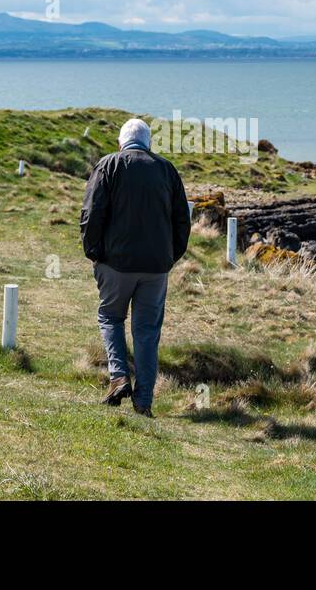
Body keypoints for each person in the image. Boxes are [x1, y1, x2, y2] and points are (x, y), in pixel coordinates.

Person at [79, 118, 191, 417]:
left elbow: (92, 212)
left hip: (116, 263)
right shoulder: (166, 170)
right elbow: (182, 220)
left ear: (121, 142)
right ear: (148, 143)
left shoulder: (108, 165)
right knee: (146, 332)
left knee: (110, 317)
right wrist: (169, 257)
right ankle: (143, 402)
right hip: (156, 267)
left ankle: (118, 377)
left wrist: (94, 253)